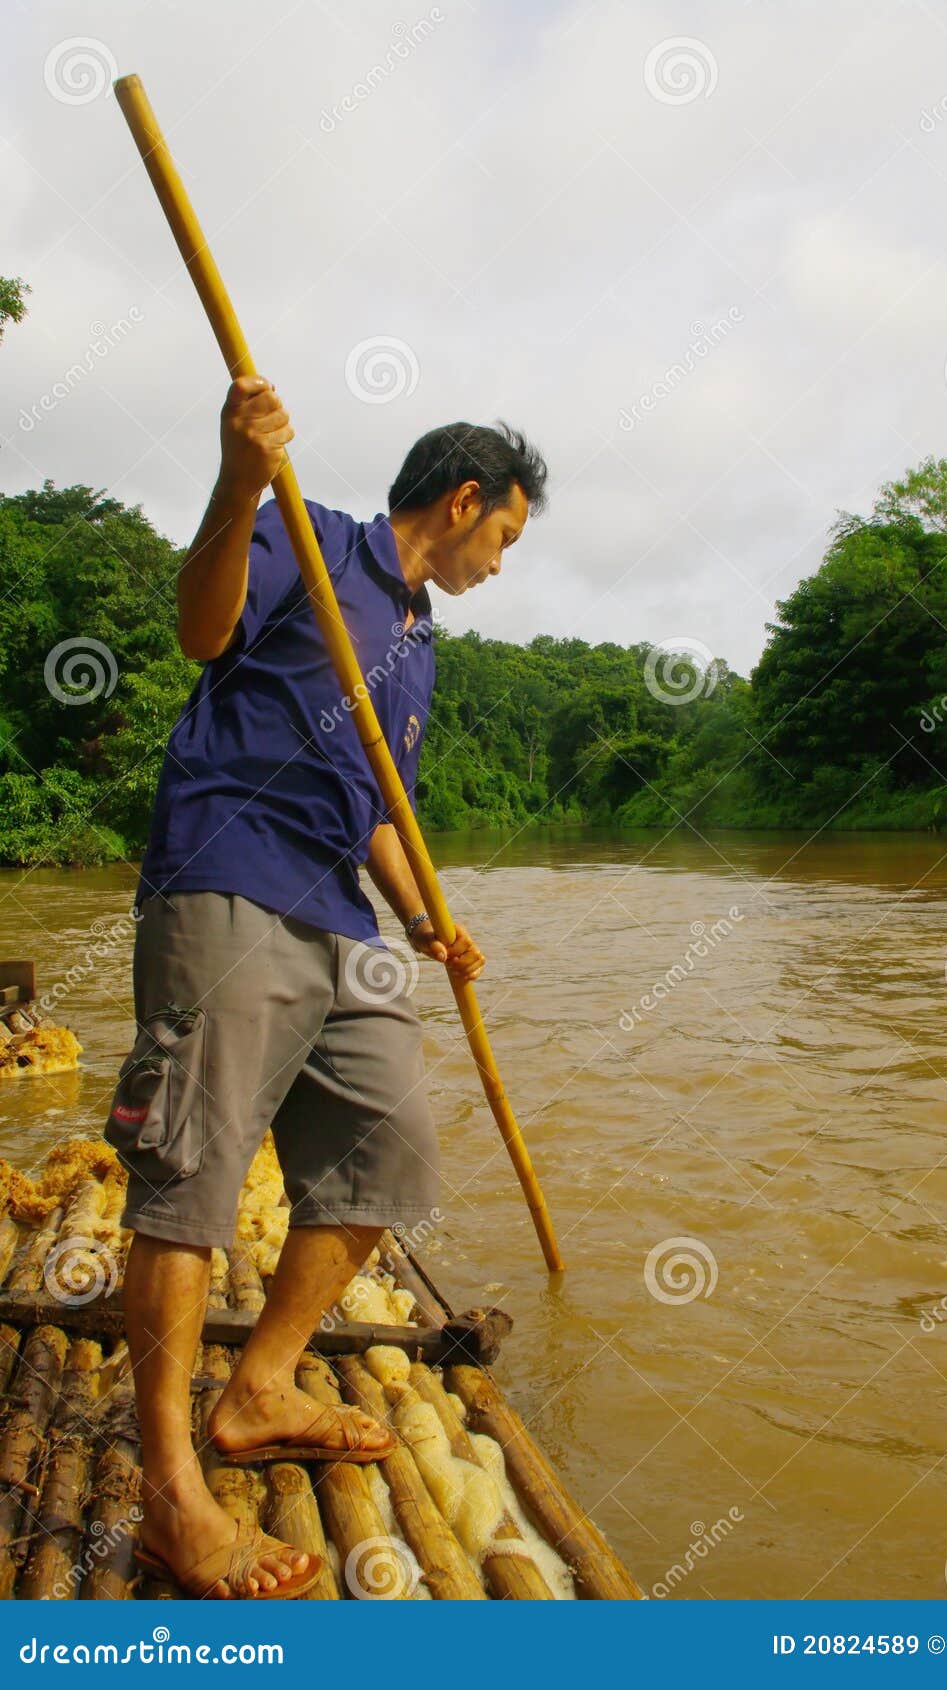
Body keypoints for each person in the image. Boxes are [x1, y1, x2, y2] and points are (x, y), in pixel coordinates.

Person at [105, 375, 548, 1598]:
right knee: (187, 1178)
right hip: (227, 877)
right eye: (504, 536)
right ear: (464, 501)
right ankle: (167, 1496)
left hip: (339, 913)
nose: (501, 563)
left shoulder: (417, 650)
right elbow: (200, 632)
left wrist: (426, 918)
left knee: (388, 1149)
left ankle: (258, 1387)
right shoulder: (303, 535)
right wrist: (240, 475)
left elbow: (378, 815)